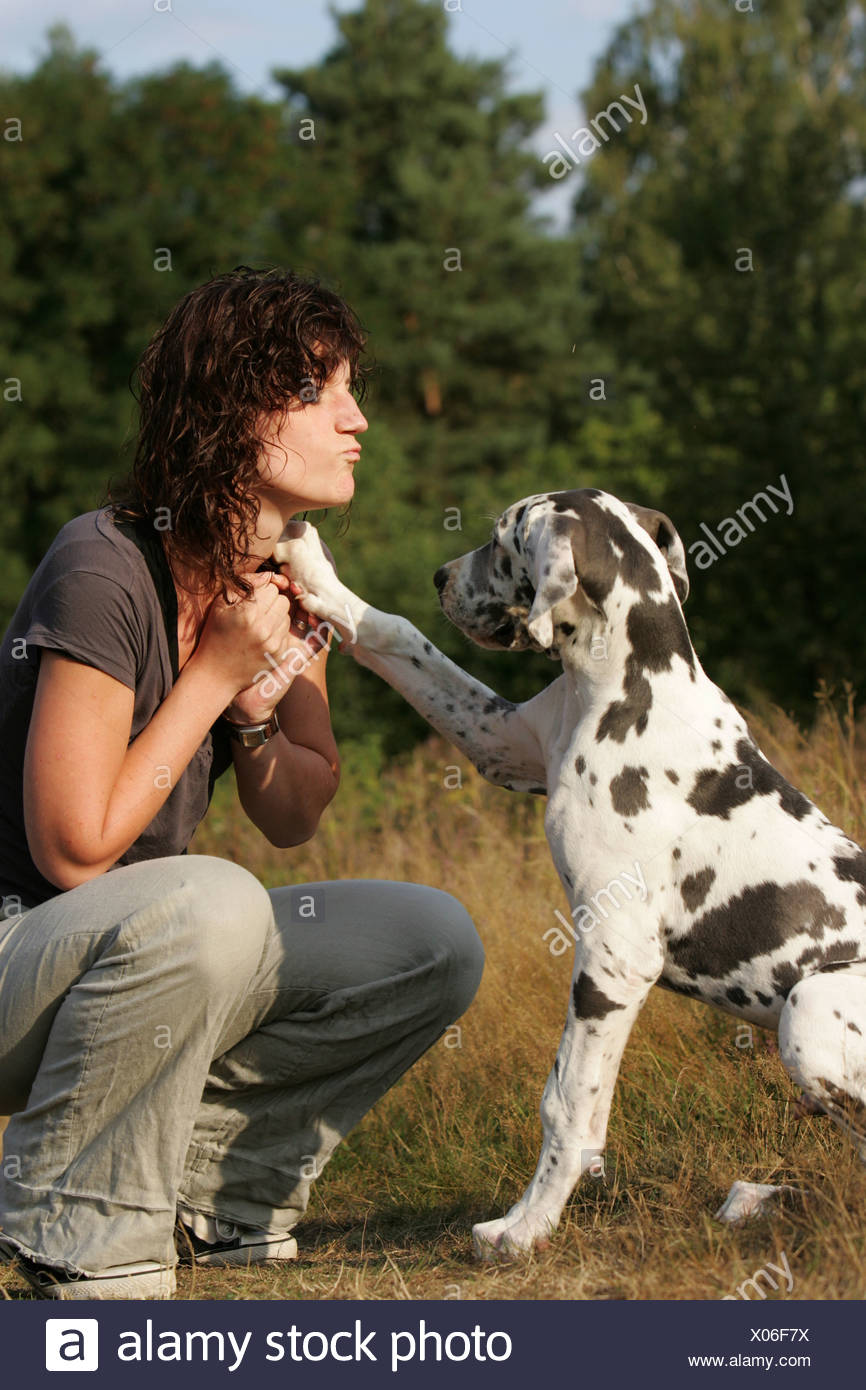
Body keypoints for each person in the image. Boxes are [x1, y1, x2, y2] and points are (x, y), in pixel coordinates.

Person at [0, 266, 484, 1300]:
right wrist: (215, 674)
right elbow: (71, 850)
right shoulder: (102, 566)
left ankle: (214, 1194)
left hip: (131, 956)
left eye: (350, 387)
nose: (355, 418)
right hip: (16, 951)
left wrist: (255, 712)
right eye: (317, 390)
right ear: (231, 411)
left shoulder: (286, 573)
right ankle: (68, 1231)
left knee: (428, 941)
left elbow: (294, 814)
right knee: (210, 901)